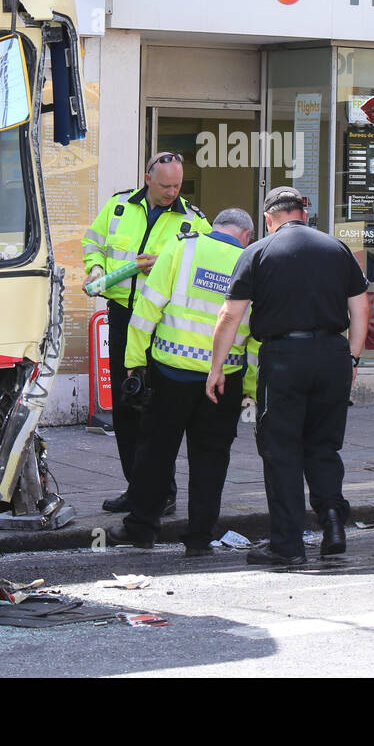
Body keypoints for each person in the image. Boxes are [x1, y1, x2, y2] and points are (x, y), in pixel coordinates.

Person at [207, 186, 369, 565]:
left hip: (283, 357)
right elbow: (361, 308)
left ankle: (287, 545)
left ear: (268, 219)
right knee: (323, 446)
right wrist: (354, 359)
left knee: (282, 451)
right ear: (303, 214)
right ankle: (332, 523)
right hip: (332, 355)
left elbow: (230, 316)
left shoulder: (258, 252)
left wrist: (216, 368)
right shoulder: (336, 248)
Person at [104, 208, 259, 557]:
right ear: (245, 235)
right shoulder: (251, 262)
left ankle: (141, 527)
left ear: (215, 227)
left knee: (155, 453)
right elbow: (254, 337)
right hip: (224, 380)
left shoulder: (182, 248)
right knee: (211, 460)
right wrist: (249, 387)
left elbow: (148, 309)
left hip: (170, 373)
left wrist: (134, 363)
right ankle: (199, 538)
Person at [82, 152, 210, 513]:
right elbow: (93, 243)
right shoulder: (119, 206)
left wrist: (164, 267)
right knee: (127, 404)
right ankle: (137, 488)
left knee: (158, 408)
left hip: (161, 323)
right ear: (148, 178)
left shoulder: (193, 220)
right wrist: (94, 269)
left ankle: (162, 491)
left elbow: (202, 271)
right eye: (166, 185)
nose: (172, 192)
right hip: (122, 315)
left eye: (178, 185)